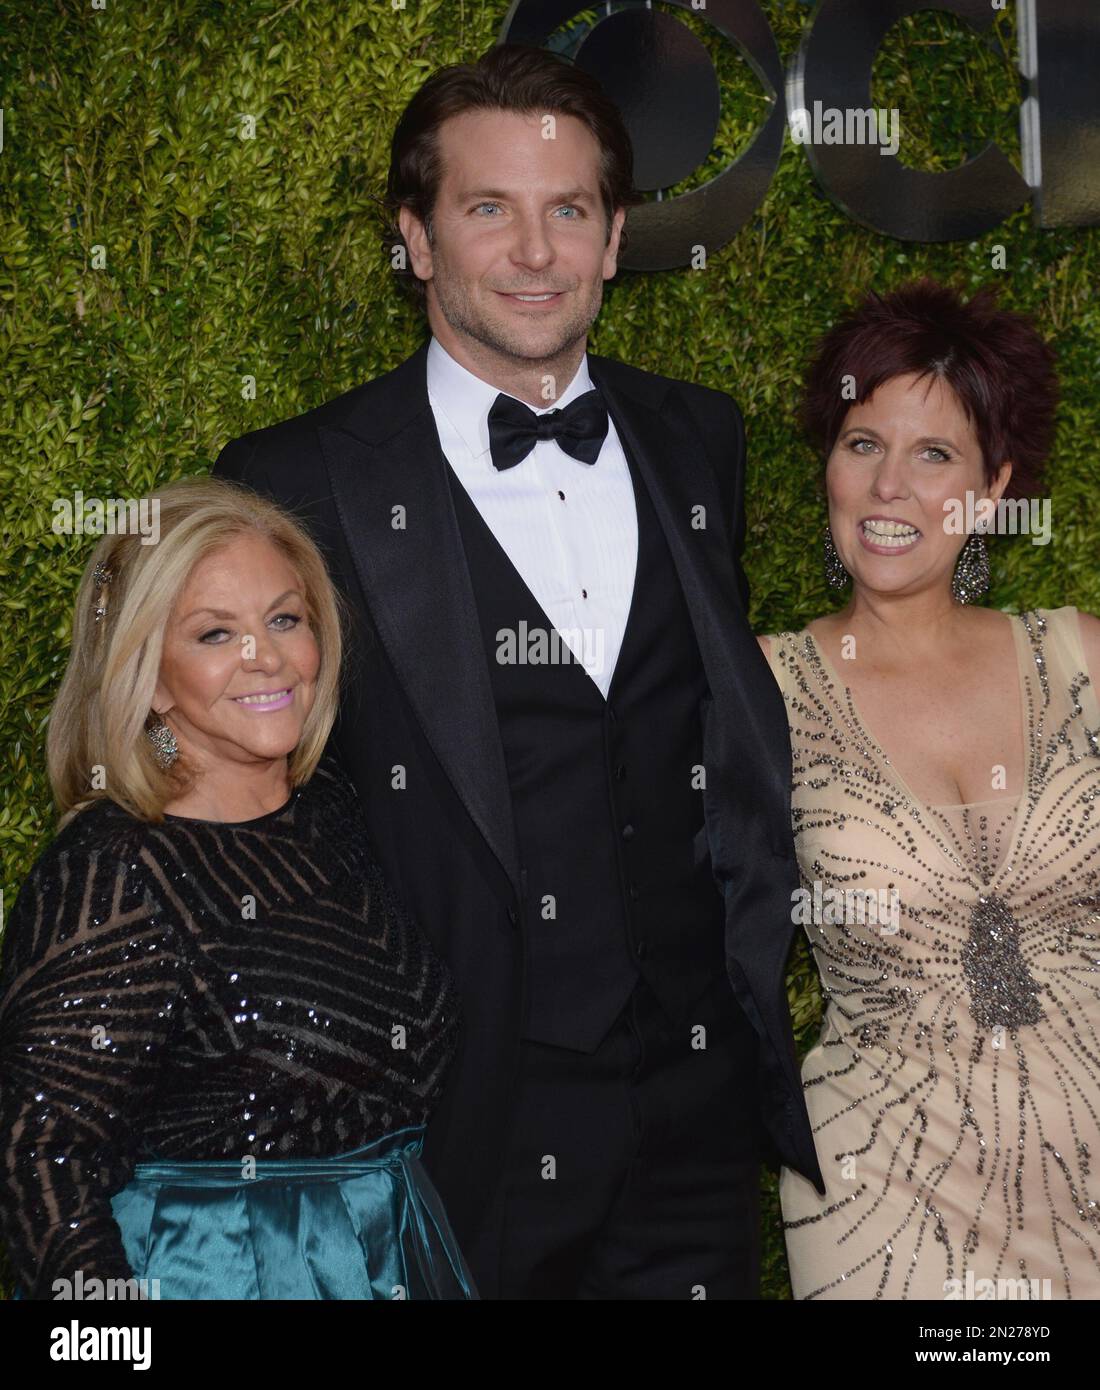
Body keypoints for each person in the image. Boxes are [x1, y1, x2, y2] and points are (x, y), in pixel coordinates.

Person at [213, 41, 823, 1299]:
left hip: (690, 1120)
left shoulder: (696, 436)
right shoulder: (296, 477)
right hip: (452, 1128)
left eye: (569, 212)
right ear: (417, 238)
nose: (535, 252)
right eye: (488, 209)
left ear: (613, 238)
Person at [0, 476, 476, 1300]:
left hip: (394, 1258)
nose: (267, 657)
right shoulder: (116, 872)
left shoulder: (332, 812)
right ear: (150, 675)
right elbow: (40, 1162)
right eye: (216, 633)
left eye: (284, 619)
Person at [758, 278, 1100, 1299]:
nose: (888, 486)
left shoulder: (1080, 658)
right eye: (862, 443)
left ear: (992, 489)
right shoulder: (758, 688)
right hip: (884, 1197)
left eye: (934, 454)